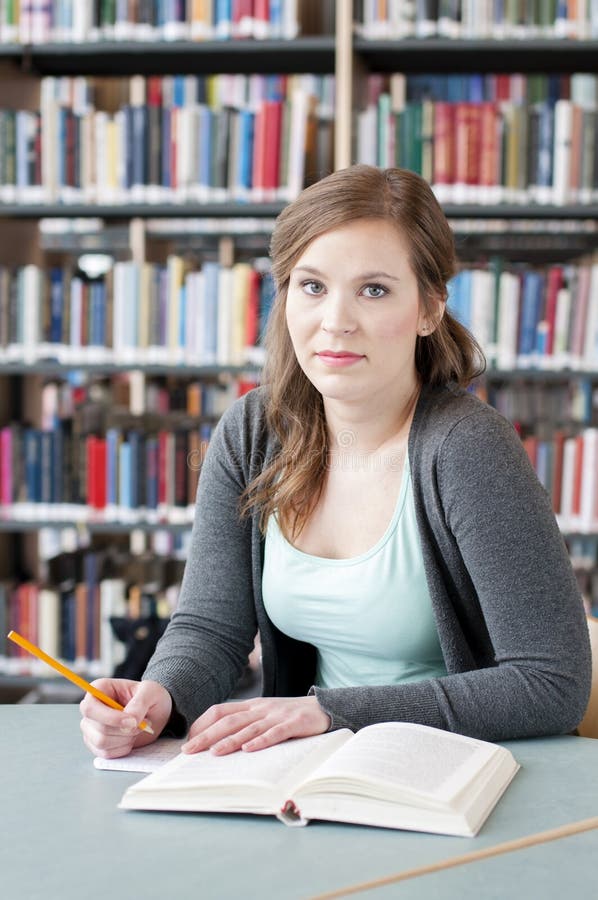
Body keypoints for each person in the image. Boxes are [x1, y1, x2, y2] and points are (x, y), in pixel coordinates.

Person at [80, 165, 591, 760]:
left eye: (374, 290)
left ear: (429, 308)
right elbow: (210, 628)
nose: (336, 322)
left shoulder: (469, 449)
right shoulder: (252, 432)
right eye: (312, 286)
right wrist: (161, 695)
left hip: (456, 770)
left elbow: (551, 684)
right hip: (315, 769)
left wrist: (331, 712)